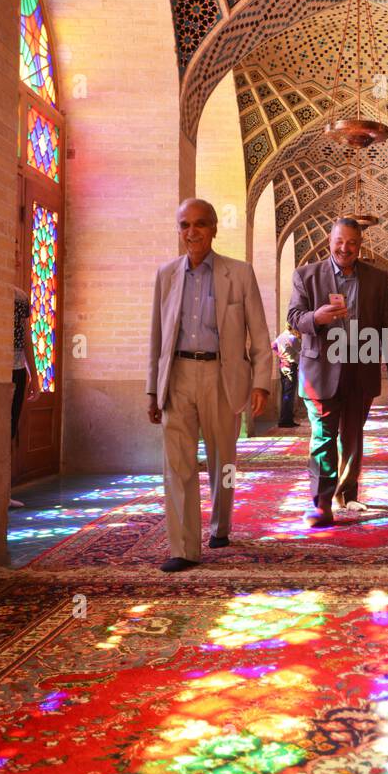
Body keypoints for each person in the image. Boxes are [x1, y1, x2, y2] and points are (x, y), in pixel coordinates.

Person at [147, 198, 272, 571]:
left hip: (223, 375)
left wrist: (261, 383)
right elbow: (156, 337)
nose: (192, 232)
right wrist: (152, 390)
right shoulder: (166, 275)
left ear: (214, 228)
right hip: (179, 376)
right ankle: (183, 548)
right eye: (184, 225)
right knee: (178, 465)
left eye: (200, 224)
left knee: (223, 460)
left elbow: (260, 335)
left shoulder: (239, 273)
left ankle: (221, 525)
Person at [288, 217, 388, 526]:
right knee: (323, 437)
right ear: (329, 241)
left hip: (361, 368)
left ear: (360, 245)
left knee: (351, 439)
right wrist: (317, 317)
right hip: (321, 370)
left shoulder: (378, 279)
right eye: (340, 241)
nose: (345, 248)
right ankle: (321, 503)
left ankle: (346, 490)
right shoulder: (306, 275)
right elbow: (294, 317)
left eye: (352, 243)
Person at [9, 285, 41, 509]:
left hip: (17, 368)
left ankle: (3, 491)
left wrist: (34, 376)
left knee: (10, 429)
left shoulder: (20, 297)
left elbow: (27, 336)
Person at [272, 323, 301, 428]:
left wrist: (281, 355)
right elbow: (302, 351)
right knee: (289, 394)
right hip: (291, 367)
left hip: (282, 366)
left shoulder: (280, 337)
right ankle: (286, 420)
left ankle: (285, 418)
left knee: (285, 393)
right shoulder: (292, 338)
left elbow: (273, 346)